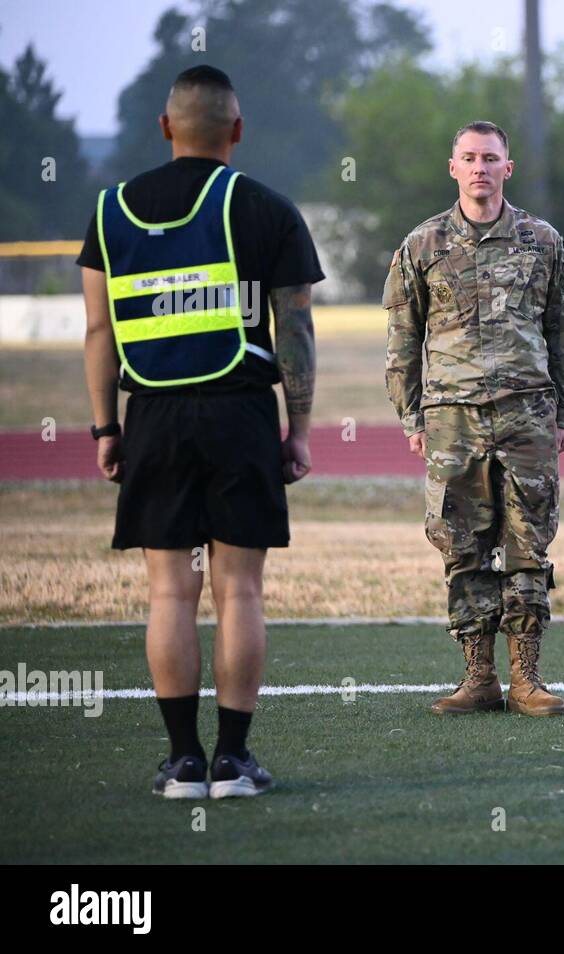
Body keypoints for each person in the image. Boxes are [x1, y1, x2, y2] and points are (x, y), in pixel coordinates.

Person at [79, 65, 323, 798]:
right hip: (239, 412)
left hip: (151, 413)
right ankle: (234, 762)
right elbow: (296, 326)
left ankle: (183, 762)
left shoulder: (109, 210)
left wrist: (105, 428)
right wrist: (299, 428)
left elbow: (99, 331)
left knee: (169, 594)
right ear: (236, 131)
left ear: (165, 127)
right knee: (239, 590)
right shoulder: (266, 208)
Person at [384, 121, 564, 717]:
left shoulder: (543, 241)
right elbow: (403, 337)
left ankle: (526, 678)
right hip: (451, 418)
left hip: (529, 412)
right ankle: (479, 678)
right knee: (461, 543)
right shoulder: (420, 247)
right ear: (453, 168)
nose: (479, 168)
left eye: (490, 158)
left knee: (529, 542)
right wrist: (411, 414)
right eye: (469, 158)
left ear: (508, 167)